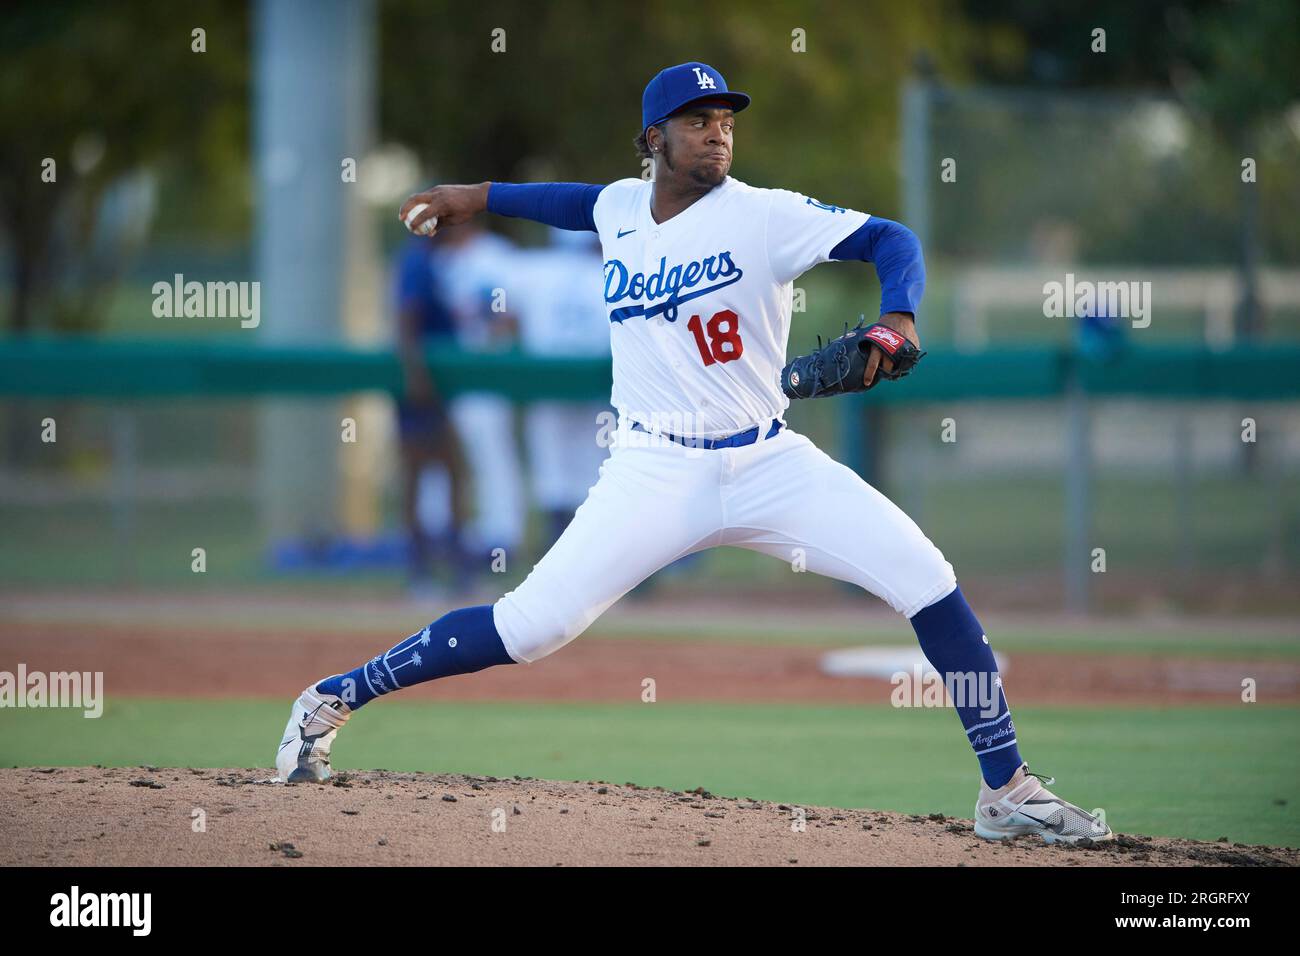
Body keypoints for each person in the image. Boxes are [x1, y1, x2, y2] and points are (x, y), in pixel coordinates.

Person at [277, 61, 1112, 845]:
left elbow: (893, 240)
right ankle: (331, 698)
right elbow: (569, 201)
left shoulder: (763, 214)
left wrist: (899, 318)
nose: (718, 132)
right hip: (653, 469)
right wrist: (475, 195)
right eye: (696, 120)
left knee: (928, 579)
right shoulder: (617, 211)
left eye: (725, 120)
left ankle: (1007, 793)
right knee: (529, 628)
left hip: (769, 464)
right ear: (652, 140)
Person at [512, 227, 613, 549]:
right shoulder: (614, 271)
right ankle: (595, 553)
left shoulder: (533, 269)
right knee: (596, 466)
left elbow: (497, 313)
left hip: (546, 383)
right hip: (597, 385)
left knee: (552, 467)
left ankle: (556, 551)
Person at [391, 234, 472, 593]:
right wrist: (416, 376)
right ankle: (426, 571)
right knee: (427, 471)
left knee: (441, 472)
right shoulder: (417, 261)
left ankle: (436, 569)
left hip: (433, 383)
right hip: (422, 387)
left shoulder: (429, 261)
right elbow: (407, 318)